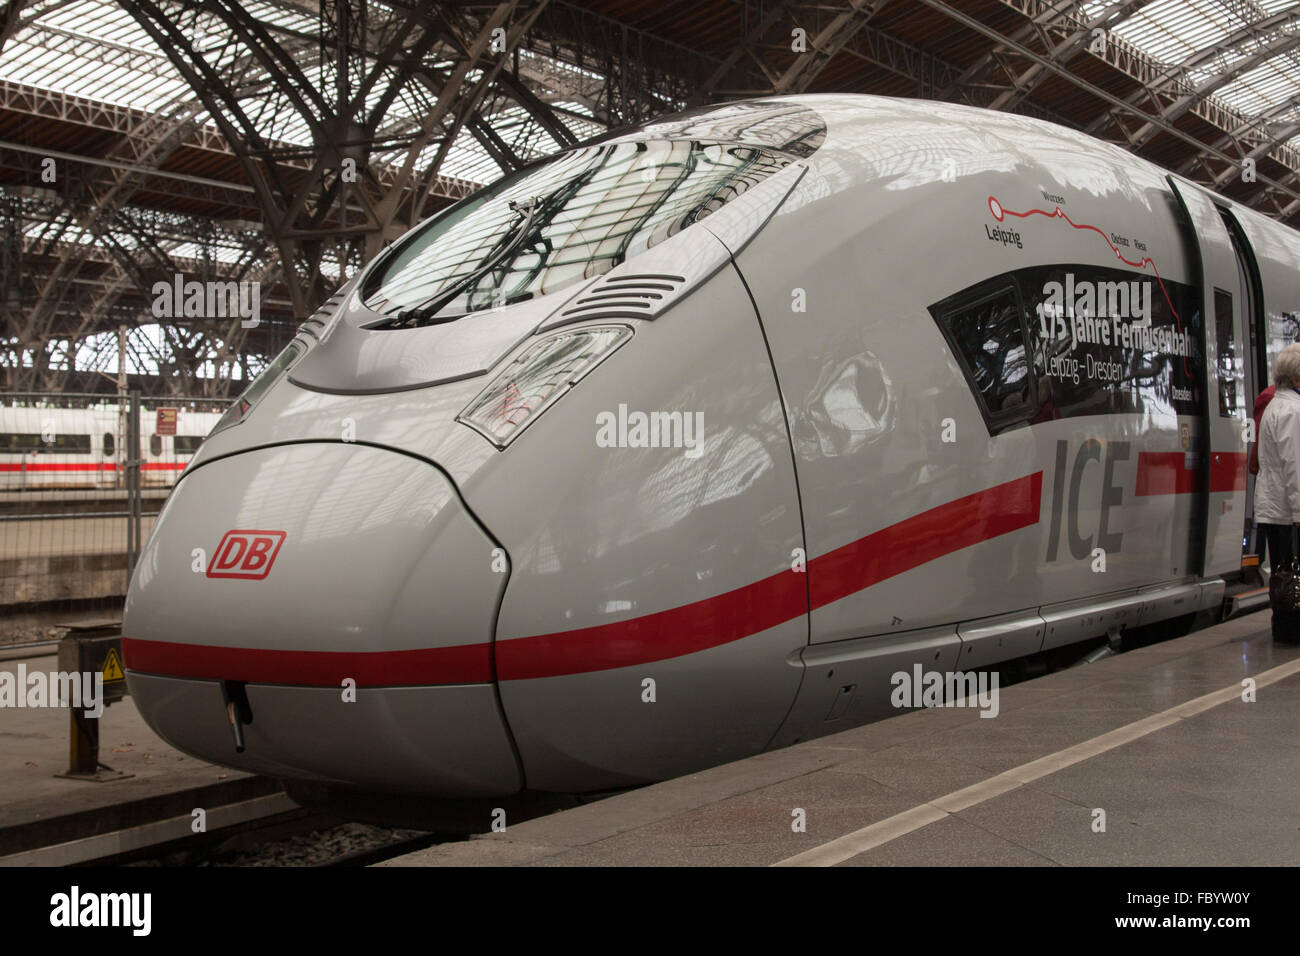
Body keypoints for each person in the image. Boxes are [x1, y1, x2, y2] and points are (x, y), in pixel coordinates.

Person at [1252, 343, 1300, 644]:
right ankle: (1292, 632)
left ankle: (1285, 629)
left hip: (1275, 507)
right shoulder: (1293, 411)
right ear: (1296, 379)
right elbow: (1295, 465)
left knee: (1283, 572)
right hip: (1287, 509)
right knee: (1291, 573)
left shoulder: (1275, 406)